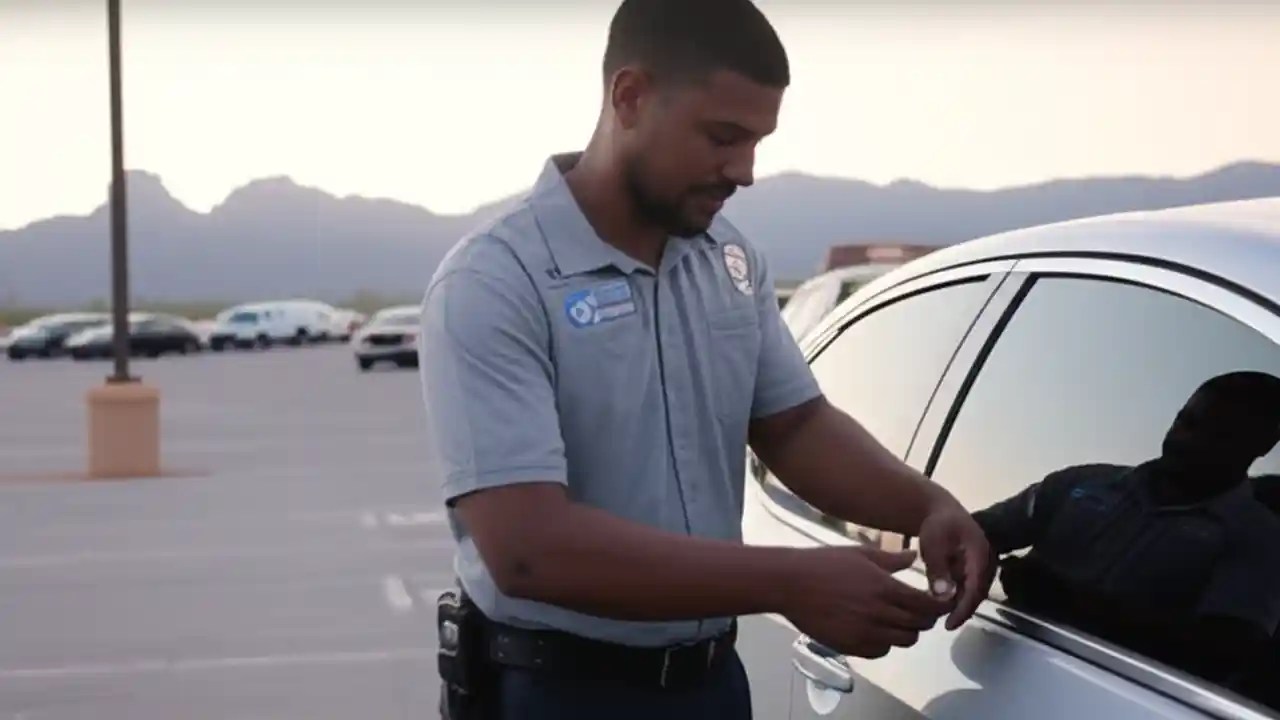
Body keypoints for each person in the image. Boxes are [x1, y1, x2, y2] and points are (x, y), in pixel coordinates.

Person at [417, 1, 990, 717]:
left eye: (757, 141)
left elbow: (796, 426)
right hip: (559, 692)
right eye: (723, 137)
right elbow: (529, 547)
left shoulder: (729, 261)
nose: (745, 170)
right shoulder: (495, 281)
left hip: (712, 685)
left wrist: (926, 505)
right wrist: (791, 583)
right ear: (629, 97)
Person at [973, 371, 1280, 687]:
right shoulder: (1078, 484)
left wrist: (1067, 602)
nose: (1186, 439)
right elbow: (968, 534)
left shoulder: (1259, 538)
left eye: (1218, 435)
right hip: (988, 671)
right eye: (1186, 421)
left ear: (1260, 446)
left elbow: (1226, 651)